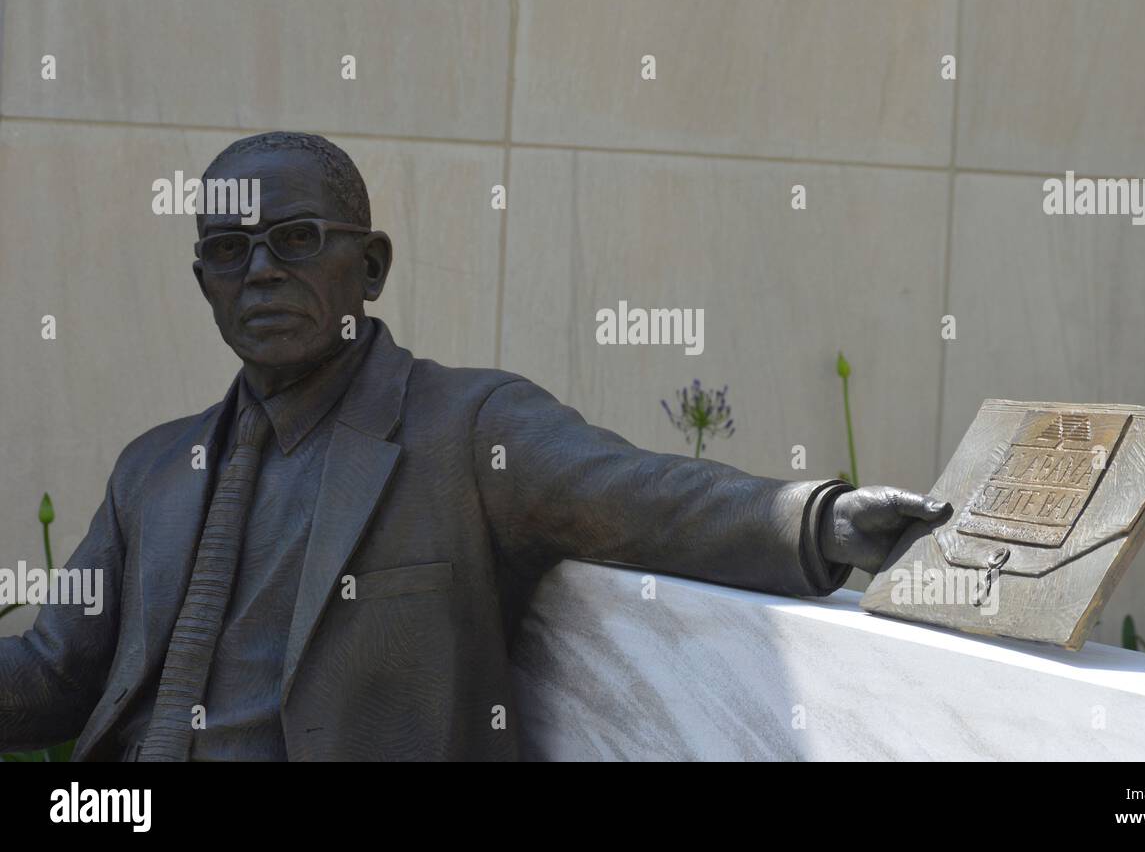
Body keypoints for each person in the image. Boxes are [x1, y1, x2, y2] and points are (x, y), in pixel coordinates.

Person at [0, 132, 951, 760]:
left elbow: (637, 494)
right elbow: (51, 677)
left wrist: (817, 519)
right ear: (200, 279)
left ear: (368, 266)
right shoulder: (155, 470)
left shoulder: (467, 431)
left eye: (294, 239)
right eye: (226, 250)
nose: (258, 273)